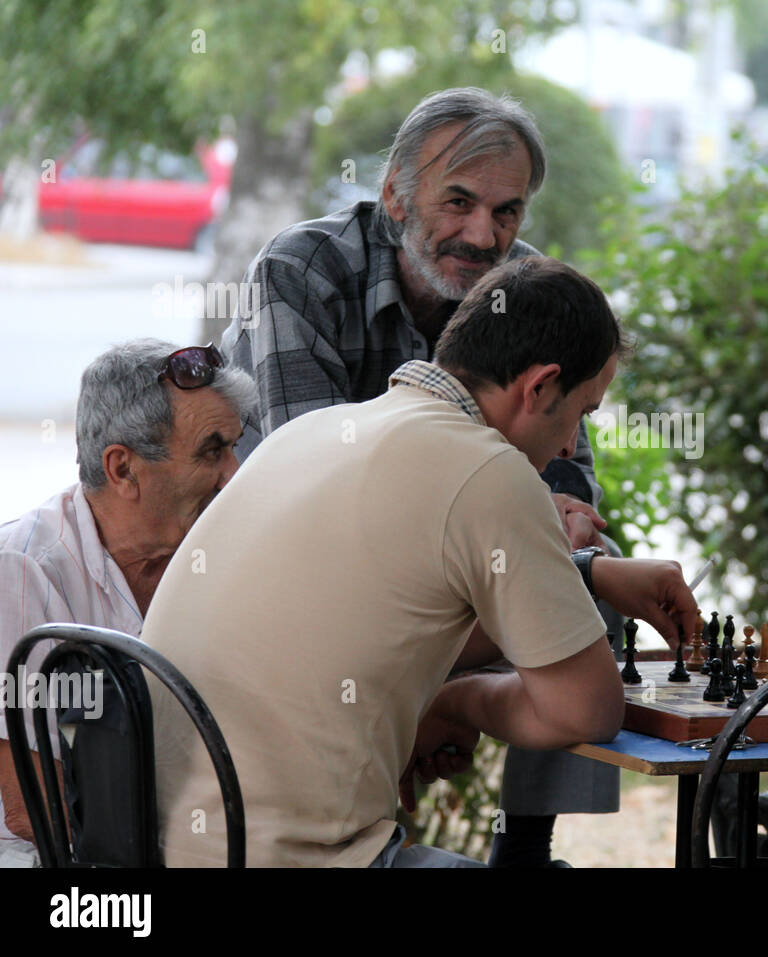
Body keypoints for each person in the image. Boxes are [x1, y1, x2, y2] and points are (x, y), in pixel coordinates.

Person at [145, 257, 700, 867]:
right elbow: (588, 708)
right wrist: (453, 704)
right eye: (582, 412)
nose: (571, 446)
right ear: (539, 387)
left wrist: (589, 573)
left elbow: (384, 628)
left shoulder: (315, 433)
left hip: (155, 850)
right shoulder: (489, 469)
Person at [221, 86, 618, 864]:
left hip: (441, 552)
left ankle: (524, 848)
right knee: (563, 610)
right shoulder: (300, 270)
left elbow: (567, 475)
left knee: (580, 604)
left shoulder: (525, 288)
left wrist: (558, 529)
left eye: (507, 213)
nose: (483, 235)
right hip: (310, 568)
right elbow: (329, 482)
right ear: (394, 192)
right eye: (459, 201)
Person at [0, 340, 254, 867]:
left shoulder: (221, 553)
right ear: (122, 470)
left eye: (235, 446)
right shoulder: (21, 571)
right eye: (212, 450)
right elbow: (32, 811)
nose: (235, 474)